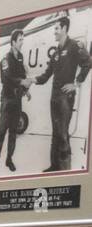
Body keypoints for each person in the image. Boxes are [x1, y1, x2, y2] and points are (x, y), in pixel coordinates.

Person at [33, 16, 92, 173]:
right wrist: (31, 80)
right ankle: (54, 166)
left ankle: (66, 171)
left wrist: (76, 84)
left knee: (63, 134)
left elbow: (88, 63)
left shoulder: (74, 46)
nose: (55, 31)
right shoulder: (56, 53)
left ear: (65, 28)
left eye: (57, 28)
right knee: (55, 133)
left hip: (65, 98)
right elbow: (46, 76)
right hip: (54, 97)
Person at [0, 30, 33, 175]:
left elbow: (22, 74)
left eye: (23, 39)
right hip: (7, 100)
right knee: (1, 132)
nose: (22, 42)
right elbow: (6, 78)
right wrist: (21, 82)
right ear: (13, 42)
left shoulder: (21, 57)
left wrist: (26, 90)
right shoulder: (6, 59)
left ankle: (9, 159)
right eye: (20, 40)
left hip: (17, 100)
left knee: (13, 132)